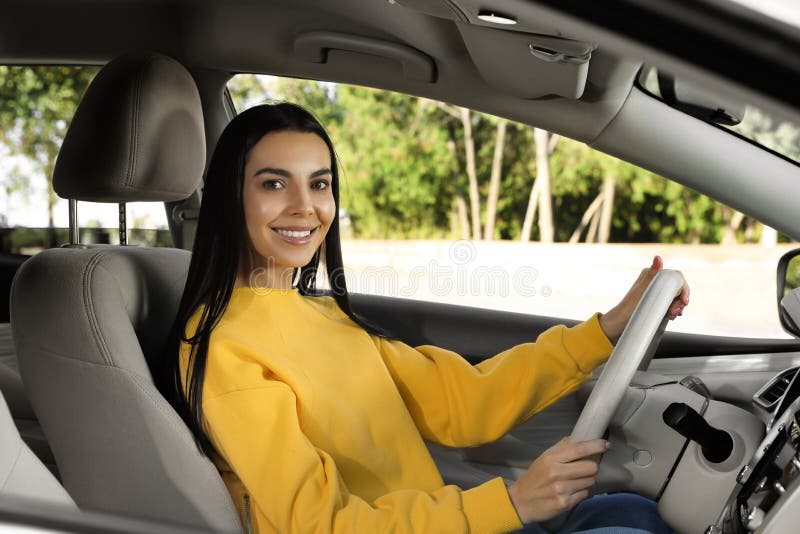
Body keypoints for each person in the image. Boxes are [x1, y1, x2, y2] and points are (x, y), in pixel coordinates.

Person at [159, 102, 688, 534]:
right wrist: (513, 502)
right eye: (274, 184)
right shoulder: (224, 346)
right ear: (232, 196)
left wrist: (607, 330)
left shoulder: (323, 314)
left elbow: (467, 403)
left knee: (631, 511)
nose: (306, 206)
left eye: (319, 184)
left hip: (438, 522)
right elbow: (317, 524)